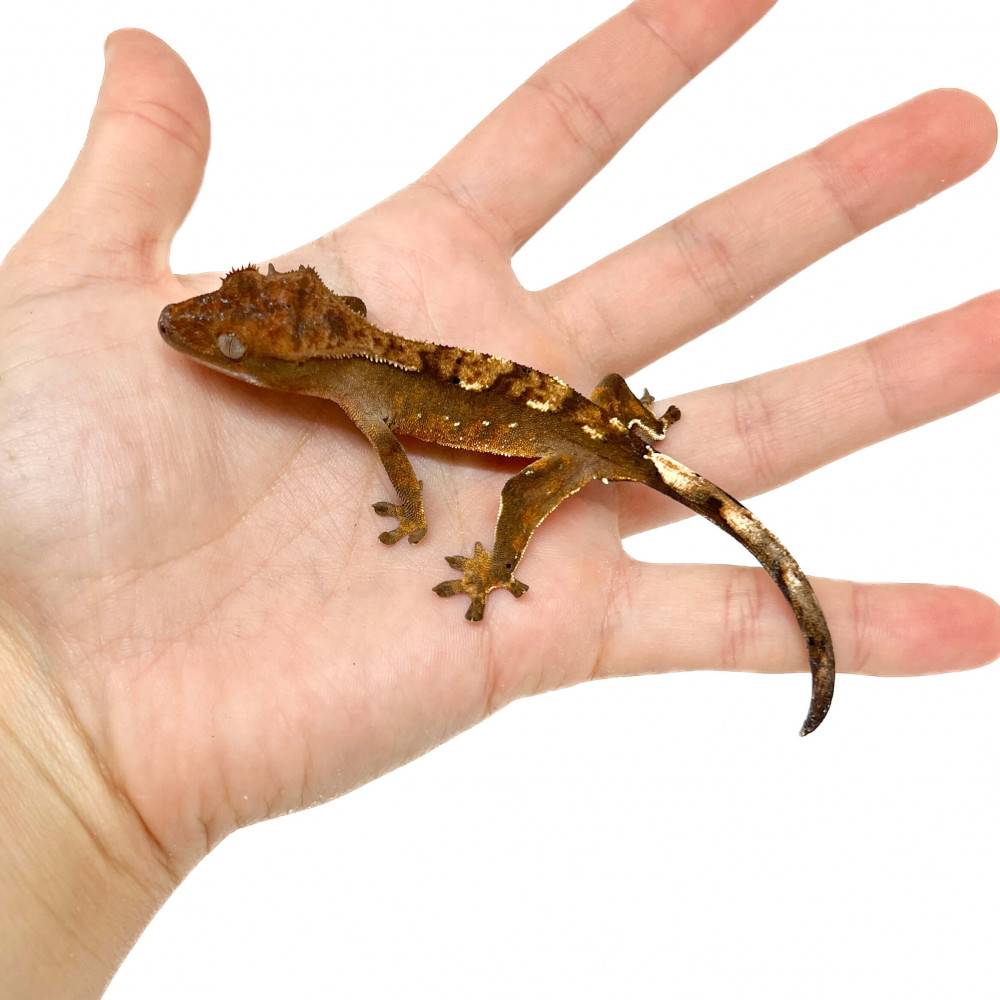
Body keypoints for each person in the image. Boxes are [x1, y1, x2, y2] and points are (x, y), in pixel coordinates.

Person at [1, 8, 998, 995]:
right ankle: (629, 432)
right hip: (599, 415)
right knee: (591, 427)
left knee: (528, 497)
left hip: (575, 451)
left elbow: (402, 476)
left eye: (227, 345)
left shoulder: (365, 392)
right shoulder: (357, 358)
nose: (206, 343)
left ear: (289, 362)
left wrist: (459, 549)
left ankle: (505, 561)